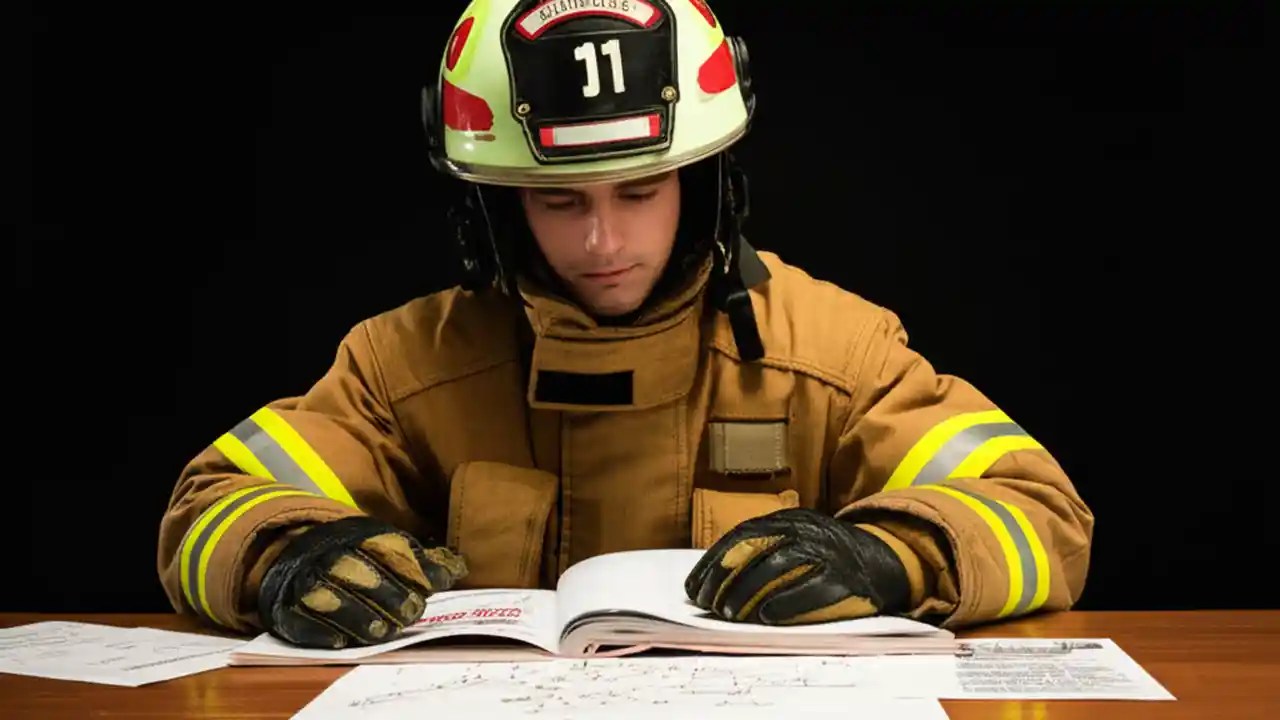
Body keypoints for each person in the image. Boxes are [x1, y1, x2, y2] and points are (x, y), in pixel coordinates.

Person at [157, 0, 1093, 650]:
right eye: (559, 203)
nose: (604, 240)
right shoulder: (403, 365)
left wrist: (890, 556)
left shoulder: (834, 351)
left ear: (706, 182)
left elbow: (1042, 516)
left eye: (641, 191)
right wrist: (286, 558)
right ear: (495, 207)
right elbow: (208, 508)